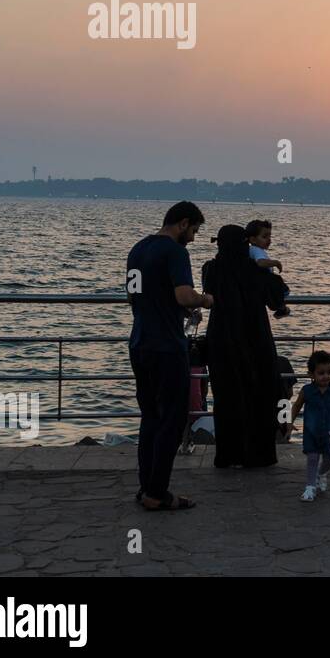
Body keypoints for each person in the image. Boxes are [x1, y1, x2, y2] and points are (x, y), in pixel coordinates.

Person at [126, 201, 213, 511]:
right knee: (173, 420)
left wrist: (173, 307)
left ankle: (145, 486)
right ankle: (157, 493)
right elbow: (183, 294)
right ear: (183, 223)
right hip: (167, 347)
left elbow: (133, 295)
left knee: (150, 417)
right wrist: (204, 300)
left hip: (139, 343)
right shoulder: (176, 252)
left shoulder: (137, 249)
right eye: (194, 231)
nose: (193, 238)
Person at [202, 223, 288, 469]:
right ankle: (258, 455)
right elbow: (276, 296)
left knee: (226, 397)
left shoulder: (211, 269)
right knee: (260, 394)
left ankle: (228, 454)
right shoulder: (254, 270)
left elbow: (208, 293)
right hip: (255, 339)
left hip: (222, 340)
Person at [289, 350, 330, 501]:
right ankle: (310, 487)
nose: (326, 376)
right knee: (312, 457)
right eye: (321, 373)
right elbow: (296, 406)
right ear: (311, 374)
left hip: (329, 433)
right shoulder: (307, 391)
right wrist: (289, 423)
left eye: (329, 372)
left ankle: (322, 473)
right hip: (311, 432)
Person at [245, 219, 290, 316]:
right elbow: (260, 263)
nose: (269, 239)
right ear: (253, 239)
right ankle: (281, 308)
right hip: (264, 282)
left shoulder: (251, 250)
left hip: (259, 283)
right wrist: (276, 263)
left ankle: (280, 308)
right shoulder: (257, 250)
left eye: (270, 236)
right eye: (264, 237)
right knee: (279, 285)